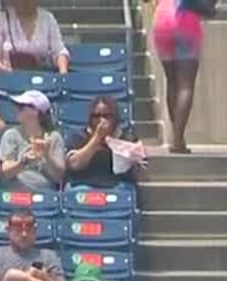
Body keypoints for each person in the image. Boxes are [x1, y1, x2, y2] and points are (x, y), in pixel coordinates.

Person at [149, 0, 204, 154]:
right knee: (185, 85)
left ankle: (177, 137)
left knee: (172, 82)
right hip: (185, 18)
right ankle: (177, 139)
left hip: (161, 17)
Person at [64, 96, 145, 187]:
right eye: (96, 116)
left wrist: (135, 159)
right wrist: (96, 139)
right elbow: (74, 164)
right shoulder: (79, 136)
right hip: (84, 185)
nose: (101, 120)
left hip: (117, 187)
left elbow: (139, 174)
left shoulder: (127, 139)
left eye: (107, 116)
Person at [0, 90, 65, 192]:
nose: (17, 109)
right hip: (15, 191)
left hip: (45, 193)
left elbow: (59, 176)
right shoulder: (11, 135)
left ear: (36, 111)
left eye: (22, 106)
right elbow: (6, 172)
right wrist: (24, 162)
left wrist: (46, 155)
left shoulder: (54, 137)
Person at [0, 0, 70, 73]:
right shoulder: (1, 21)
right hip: (10, 81)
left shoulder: (48, 19)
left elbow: (59, 52)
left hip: (42, 79)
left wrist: (63, 75)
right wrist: (10, 72)